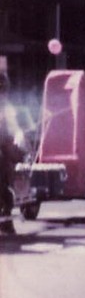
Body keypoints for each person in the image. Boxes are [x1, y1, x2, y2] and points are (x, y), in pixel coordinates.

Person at [0, 72, 25, 234]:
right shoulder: (5, 105)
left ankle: (6, 219)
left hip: (3, 146)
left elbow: (14, 128)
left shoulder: (6, 106)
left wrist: (18, 135)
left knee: (4, 181)